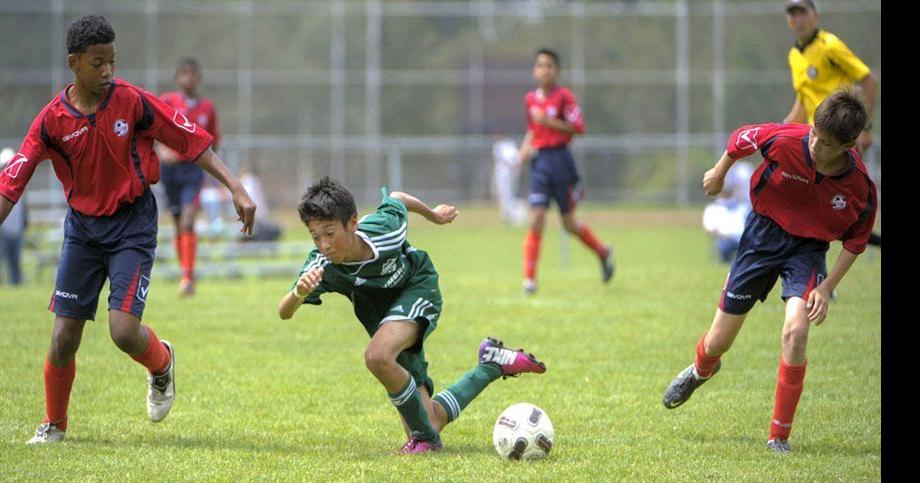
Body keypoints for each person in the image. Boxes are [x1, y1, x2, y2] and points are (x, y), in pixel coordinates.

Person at [0, 15, 257, 445]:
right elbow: (11, 186)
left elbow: (190, 138)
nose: (108, 72)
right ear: (74, 63)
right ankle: (54, 426)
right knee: (63, 337)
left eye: (112, 62)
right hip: (82, 230)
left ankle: (161, 364)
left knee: (122, 331)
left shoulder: (133, 102)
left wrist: (236, 186)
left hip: (132, 224)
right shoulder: (50, 122)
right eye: (98, 63)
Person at [661, 89, 877, 454]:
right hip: (761, 237)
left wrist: (827, 288)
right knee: (718, 342)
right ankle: (701, 370)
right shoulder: (788, 139)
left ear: (848, 145)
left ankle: (779, 435)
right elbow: (741, 139)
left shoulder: (859, 186)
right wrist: (718, 172)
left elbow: (856, 242)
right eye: (813, 133)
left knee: (796, 330)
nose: (813, 144)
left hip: (807, 250)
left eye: (825, 143)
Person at [278, 178, 546, 454]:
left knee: (378, 356)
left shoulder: (384, 230)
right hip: (384, 319)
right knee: (431, 417)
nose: (324, 245)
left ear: (352, 222)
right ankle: (492, 365)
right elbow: (284, 311)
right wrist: (299, 292)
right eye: (315, 236)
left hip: (418, 287)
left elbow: (398, 198)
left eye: (329, 233)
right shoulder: (320, 265)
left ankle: (424, 440)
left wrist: (435, 216)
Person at [782, 0, 880, 247]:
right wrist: (783, 128)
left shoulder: (830, 46)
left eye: (802, 12)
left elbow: (869, 80)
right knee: (816, 210)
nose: (797, 19)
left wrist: (864, 128)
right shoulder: (795, 55)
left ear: (815, 15)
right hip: (813, 139)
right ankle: (818, 277)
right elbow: (805, 97)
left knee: (835, 208)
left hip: (837, 140)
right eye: (792, 14)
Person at [519, 48, 614, 295]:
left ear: (556, 71)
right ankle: (529, 280)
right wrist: (525, 148)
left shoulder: (564, 97)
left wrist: (549, 122)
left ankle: (602, 251)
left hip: (561, 161)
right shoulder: (530, 99)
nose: (544, 70)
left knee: (569, 223)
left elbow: (579, 128)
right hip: (540, 163)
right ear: (534, 70)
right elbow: (533, 129)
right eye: (540, 65)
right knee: (536, 218)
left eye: (549, 65)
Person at [157, 56, 221, 296]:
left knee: (187, 219)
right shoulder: (166, 101)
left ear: (198, 78)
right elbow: (154, 130)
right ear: (177, 78)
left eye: (192, 73)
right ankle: (185, 271)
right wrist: (163, 150)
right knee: (176, 222)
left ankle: (187, 278)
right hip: (169, 171)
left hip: (192, 169)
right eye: (183, 73)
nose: (188, 77)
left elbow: (214, 141)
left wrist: (212, 171)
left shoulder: (207, 108)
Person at [701, 161, 753, 263]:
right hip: (725, 240)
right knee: (724, 247)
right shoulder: (713, 208)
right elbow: (709, 227)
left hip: (741, 240)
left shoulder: (742, 207)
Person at [0, 147, 28, 285]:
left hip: (17, 233)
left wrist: (24, 225)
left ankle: (16, 286)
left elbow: (23, 211)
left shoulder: (20, 187)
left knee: (15, 264)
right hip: (3, 234)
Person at [491, 134, 526, 226]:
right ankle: (507, 215)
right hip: (505, 173)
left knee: (509, 195)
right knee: (504, 195)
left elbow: (514, 161)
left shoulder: (508, 147)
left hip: (509, 173)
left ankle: (512, 215)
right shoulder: (500, 147)